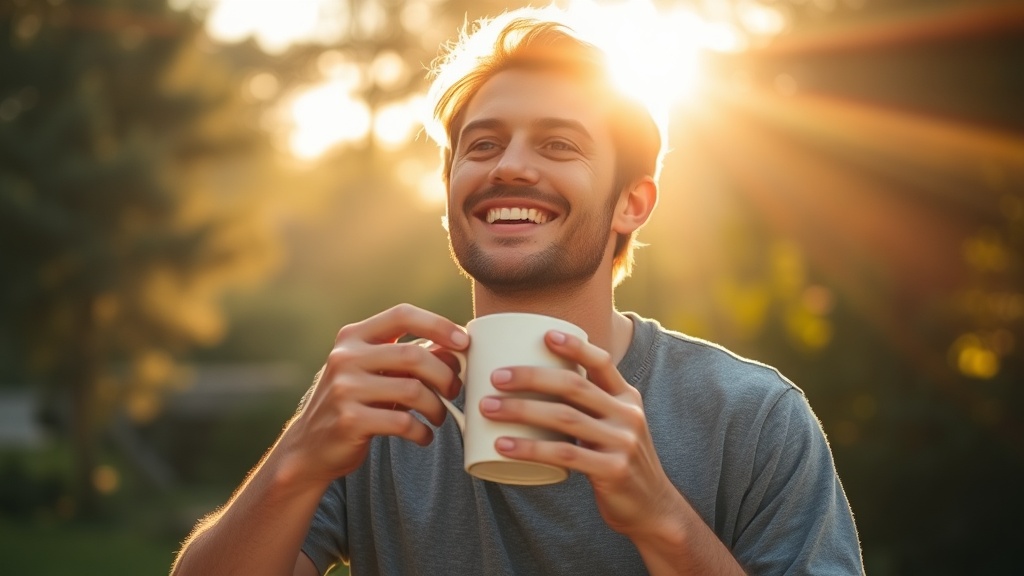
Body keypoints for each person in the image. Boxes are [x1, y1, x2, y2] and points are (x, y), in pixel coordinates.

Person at [171, 6, 863, 575]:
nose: (510, 167)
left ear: (632, 204)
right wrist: (295, 458)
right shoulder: (380, 401)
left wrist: (662, 518)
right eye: (482, 145)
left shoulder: (754, 419)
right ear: (449, 196)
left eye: (559, 145)